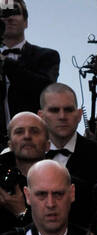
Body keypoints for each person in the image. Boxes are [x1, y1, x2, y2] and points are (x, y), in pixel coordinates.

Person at [0, 0, 58, 138]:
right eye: (3, 14)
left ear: (26, 22)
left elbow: (44, 89)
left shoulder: (46, 56)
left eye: (15, 12)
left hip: (33, 138)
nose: (9, 18)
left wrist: (5, 62)